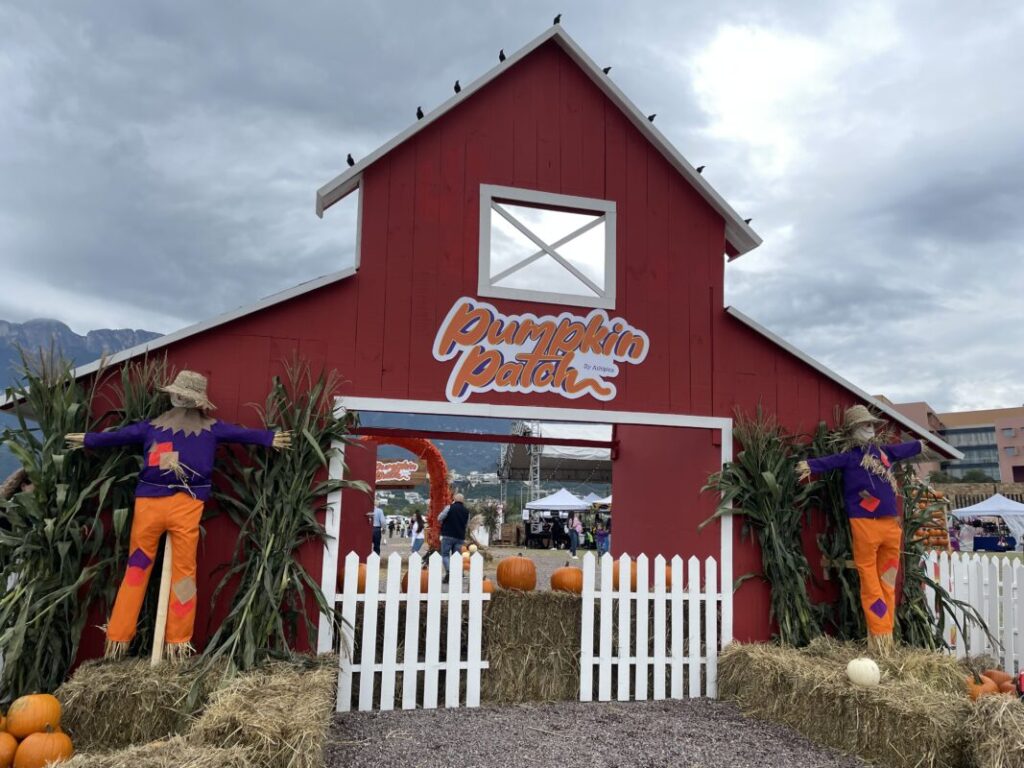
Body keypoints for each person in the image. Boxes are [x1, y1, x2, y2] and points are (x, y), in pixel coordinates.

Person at [66, 370, 291, 660]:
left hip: (151, 505)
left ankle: (121, 638)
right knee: (184, 574)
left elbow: (119, 437)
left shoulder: (152, 428)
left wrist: (89, 439)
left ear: (176, 396)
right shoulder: (211, 428)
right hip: (186, 507)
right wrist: (269, 437)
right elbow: (244, 434)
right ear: (198, 401)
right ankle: (175, 643)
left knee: (137, 568)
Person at [796, 404, 922, 655]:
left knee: (887, 581)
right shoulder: (851, 457)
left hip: (890, 525)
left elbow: (904, 448)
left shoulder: (885, 453)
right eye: (864, 424)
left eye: (872, 424)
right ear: (852, 429)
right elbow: (828, 462)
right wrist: (808, 465)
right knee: (869, 581)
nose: (870, 428)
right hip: (864, 524)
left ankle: (886, 636)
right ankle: (879, 635)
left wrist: (919, 444)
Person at [438, 493, 469, 582]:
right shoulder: (466, 511)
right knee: (457, 556)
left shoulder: (449, 507)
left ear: (454, 499)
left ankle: (449, 571)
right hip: (460, 536)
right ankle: (458, 573)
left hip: (448, 535)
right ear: (463, 500)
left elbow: (440, 518)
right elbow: (467, 524)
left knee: (445, 555)